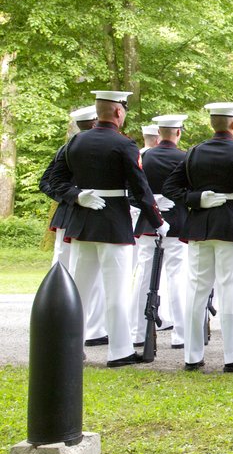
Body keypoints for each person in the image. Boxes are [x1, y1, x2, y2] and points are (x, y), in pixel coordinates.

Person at [47, 90, 168, 366]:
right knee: (116, 290)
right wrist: (157, 221)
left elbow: (55, 180)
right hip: (113, 223)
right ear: (118, 112)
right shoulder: (124, 145)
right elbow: (141, 189)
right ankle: (120, 351)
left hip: (82, 223)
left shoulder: (77, 140)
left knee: (78, 290)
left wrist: (77, 196)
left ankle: (69, 348)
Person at [163, 103, 233, 372]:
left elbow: (171, 187)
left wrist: (196, 199)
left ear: (212, 124)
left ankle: (192, 356)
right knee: (230, 292)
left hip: (200, 227)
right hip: (232, 227)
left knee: (197, 291)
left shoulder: (194, 152)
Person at [39, 105, 109, 346]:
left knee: (85, 271)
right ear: (93, 123)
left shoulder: (74, 147)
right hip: (72, 215)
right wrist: (72, 197)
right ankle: (74, 325)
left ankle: (93, 328)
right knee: (68, 269)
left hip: (83, 214)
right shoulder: (69, 149)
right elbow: (47, 182)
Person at [130, 114, 190, 350]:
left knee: (144, 276)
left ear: (158, 134)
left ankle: (136, 331)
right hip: (177, 223)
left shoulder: (144, 157)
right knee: (177, 277)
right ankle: (181, 334)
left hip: (148, 223)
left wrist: (153, 201)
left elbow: (133, 193)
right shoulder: (185, 158)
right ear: (178, 133)